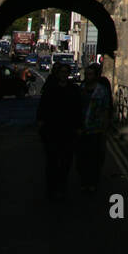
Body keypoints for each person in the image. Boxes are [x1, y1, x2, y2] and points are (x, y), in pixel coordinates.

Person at [37, 64, 82, 200]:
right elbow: (43, 106)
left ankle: (62, 185)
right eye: (61, 72)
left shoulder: (73, 89)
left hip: (68, 130)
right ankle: (51, 187)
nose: (63, 74)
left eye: (65, 72)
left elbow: (78, 109)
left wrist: (79, 126)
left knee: (66, 161)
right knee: (52, 160)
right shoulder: (50, 88)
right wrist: (40, 122)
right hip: (52, 129)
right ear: (58, 73)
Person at [76, 62, 113, 193]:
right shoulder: (81, 89)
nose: (87, 76)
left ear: (95, 76)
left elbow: (106, 109)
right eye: (86, 74)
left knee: (95, 158)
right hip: (82, 129)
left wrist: (105, 126)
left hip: (96, 129)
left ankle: (92, 182)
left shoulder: (101, 91)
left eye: (90, 74)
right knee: (81, 158)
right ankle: (84, 180)